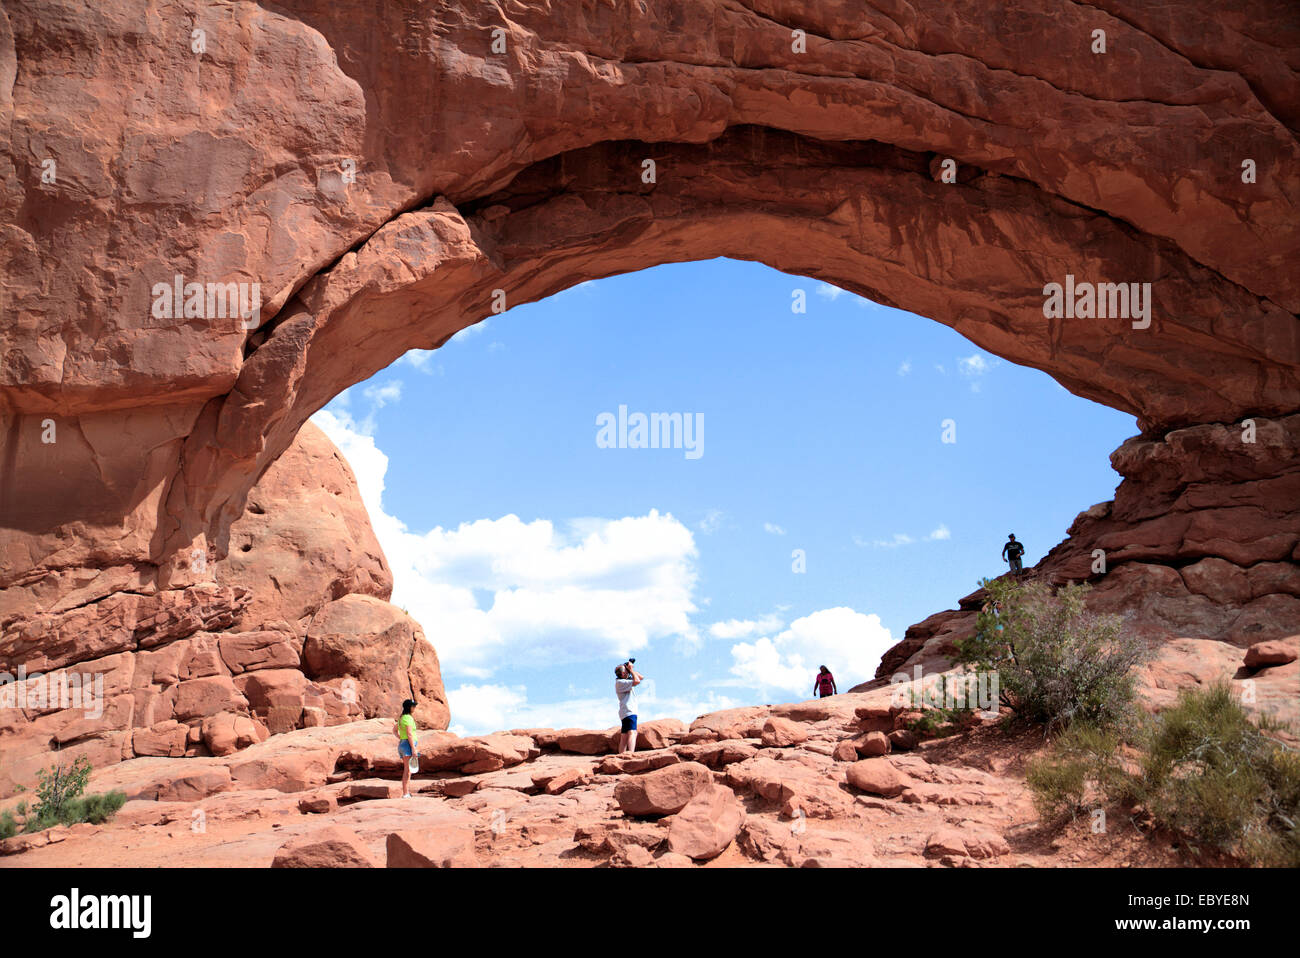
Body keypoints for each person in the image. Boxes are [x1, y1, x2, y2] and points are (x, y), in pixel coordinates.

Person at [614, 661, 643, 753]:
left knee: (624, 736)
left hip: (626, 711)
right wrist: (630, 670)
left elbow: (641, 677)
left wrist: (631, 670)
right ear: (623, 673)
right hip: (629, 711)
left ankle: (621, 755)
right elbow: (637, 681)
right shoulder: (621, 682)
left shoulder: (622, 681)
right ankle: (631, 753)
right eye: (626, 671)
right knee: (632, 732)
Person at [394, 698, 418, 798]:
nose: (415, 707)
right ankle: (405, 793)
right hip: (408, 745)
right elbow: (409, 733)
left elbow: (394, 731)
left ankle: (406, 792)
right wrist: (413, 748)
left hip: (404, 744)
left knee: (408, 770)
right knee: (408, 770)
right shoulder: (408, 718)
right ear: (409, 707)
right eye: (413, 706)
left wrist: (401, 738)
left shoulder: (401, 718)